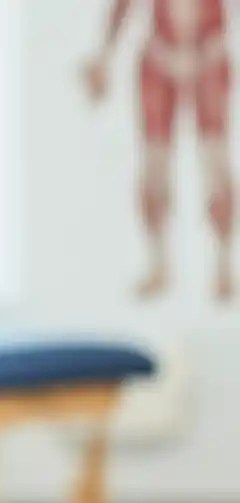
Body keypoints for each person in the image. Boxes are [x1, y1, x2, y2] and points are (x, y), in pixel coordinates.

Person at [83, 0, 235, 301]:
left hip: (209, 58)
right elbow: (123, 7)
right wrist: (104, 56)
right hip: (160, 59)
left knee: (215, 162)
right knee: (155, 163)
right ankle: (159, 261)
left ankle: (223, 263)